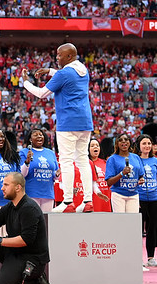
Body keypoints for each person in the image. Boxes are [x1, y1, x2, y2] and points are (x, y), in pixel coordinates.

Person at [21, 43, 94, 213]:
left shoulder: (64, 73)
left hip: (68, 122)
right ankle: (88, 201)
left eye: (60, 55)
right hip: (85, 122)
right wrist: (49, 71)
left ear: (69, 57)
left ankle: (68, 201)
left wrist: (25, 83)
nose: (57, 58)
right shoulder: (82, 69)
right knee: (83, 160)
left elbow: (41, 93)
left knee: (66, 161)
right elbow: (66, 76)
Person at [20, 128, 59, 213]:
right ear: (30, 139)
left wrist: (57, 174)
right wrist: (27, 162)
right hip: (31, 194)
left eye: (41, 135)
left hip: (48, 194)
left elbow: (55, 176)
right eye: (35, 135)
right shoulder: (24, 152)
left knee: (45, 223)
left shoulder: (50, 153)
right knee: (32, 222)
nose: (39, 136)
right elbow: (21, 174)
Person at [105, 134, 145, 213]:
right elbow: (109, 182)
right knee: (120, 222)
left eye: (126, 139)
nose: (124, 141)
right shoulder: (112, 159)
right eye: (120, 140)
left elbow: (141, 175)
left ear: (129, 142)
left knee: (132, 221)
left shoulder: (136, 157)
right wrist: (122, 174)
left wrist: (141, 180)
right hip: (118, 195)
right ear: (117, 143)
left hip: (134, 194)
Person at [136, 134, 157, 268]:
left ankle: (151, 257)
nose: (147, 146)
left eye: (149, 143)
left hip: (154, 199)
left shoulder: (155, 160)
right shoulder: (135, 160)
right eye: (144, 143)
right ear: (139, 145)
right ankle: (137, 258)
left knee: (152, 229)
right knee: (137, 229)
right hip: (139, 198)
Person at [88, 138, 112, 213]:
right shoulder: (84, 164)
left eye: (97, 145)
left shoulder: (106, 163)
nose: (95, 147)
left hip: (106, 198)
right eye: (92, 146)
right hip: (92, 199)